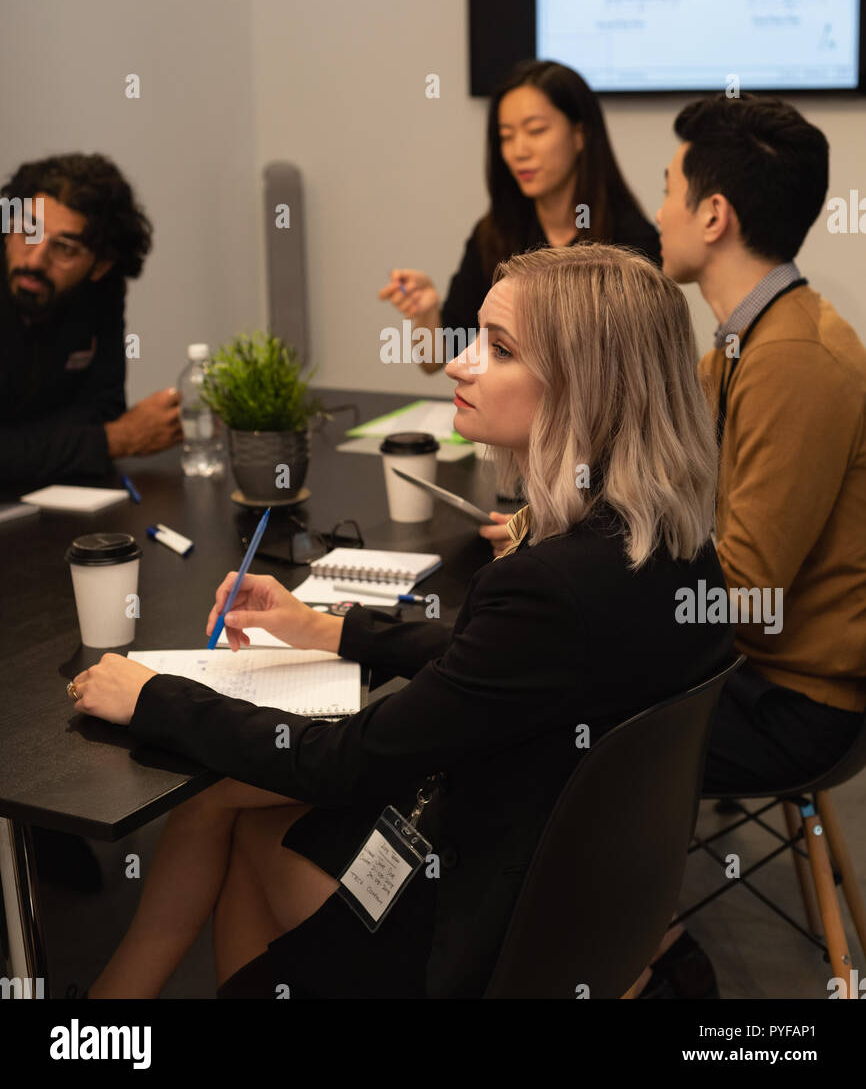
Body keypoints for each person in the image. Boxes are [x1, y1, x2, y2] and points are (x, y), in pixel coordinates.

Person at [70, 245, 733, 1001]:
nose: (458, 364)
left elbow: (341, 760)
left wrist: (151, 695)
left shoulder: (546, 583)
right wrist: (331, 629)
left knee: (248, 816)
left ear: (588, 386)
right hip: (578, 912)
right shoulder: (672, 546)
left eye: (499, 348)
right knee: (245, 817)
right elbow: (501, 663)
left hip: (474, 939)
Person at [647, 92, 866, 998]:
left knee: (548, 718)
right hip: (761, 677)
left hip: (797, 702)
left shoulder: (793, 359)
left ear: (712, 214)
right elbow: (670, 487)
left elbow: (745, 592)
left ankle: (655, 957)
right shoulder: (742, 344)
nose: (655, 211)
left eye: (666, 188)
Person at [378, 59, 661, 378]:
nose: (518, 151)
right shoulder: (495, 233)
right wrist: (427, 312)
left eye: (536, 131)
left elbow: (636, 370)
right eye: (507, 136)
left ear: (579, 134)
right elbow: (435, 359)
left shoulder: (631, 241)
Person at [0, 153, 183, 493]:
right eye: (27, 231)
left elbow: (103, 407)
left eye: (65, 248)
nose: (36, 260)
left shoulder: (101, 291)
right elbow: (111, 430)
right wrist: (111, 441)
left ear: (100, 266)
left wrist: (25, 447)